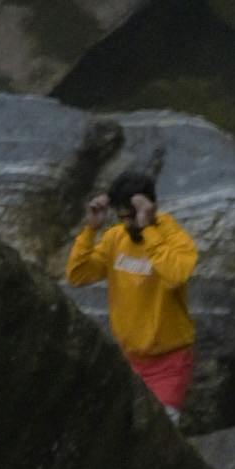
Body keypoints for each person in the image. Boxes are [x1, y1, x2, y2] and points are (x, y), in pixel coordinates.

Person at [64, 168, 203, 423]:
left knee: (156, 438)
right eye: (122, 218)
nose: (128, 225)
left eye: (131, 217)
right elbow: (77, 275)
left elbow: (175, 274)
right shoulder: (115, 238)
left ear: (151, 207)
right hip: (128, 361)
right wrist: (90, 230)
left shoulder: (174, 238)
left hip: (169, 365)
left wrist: (148, 228)